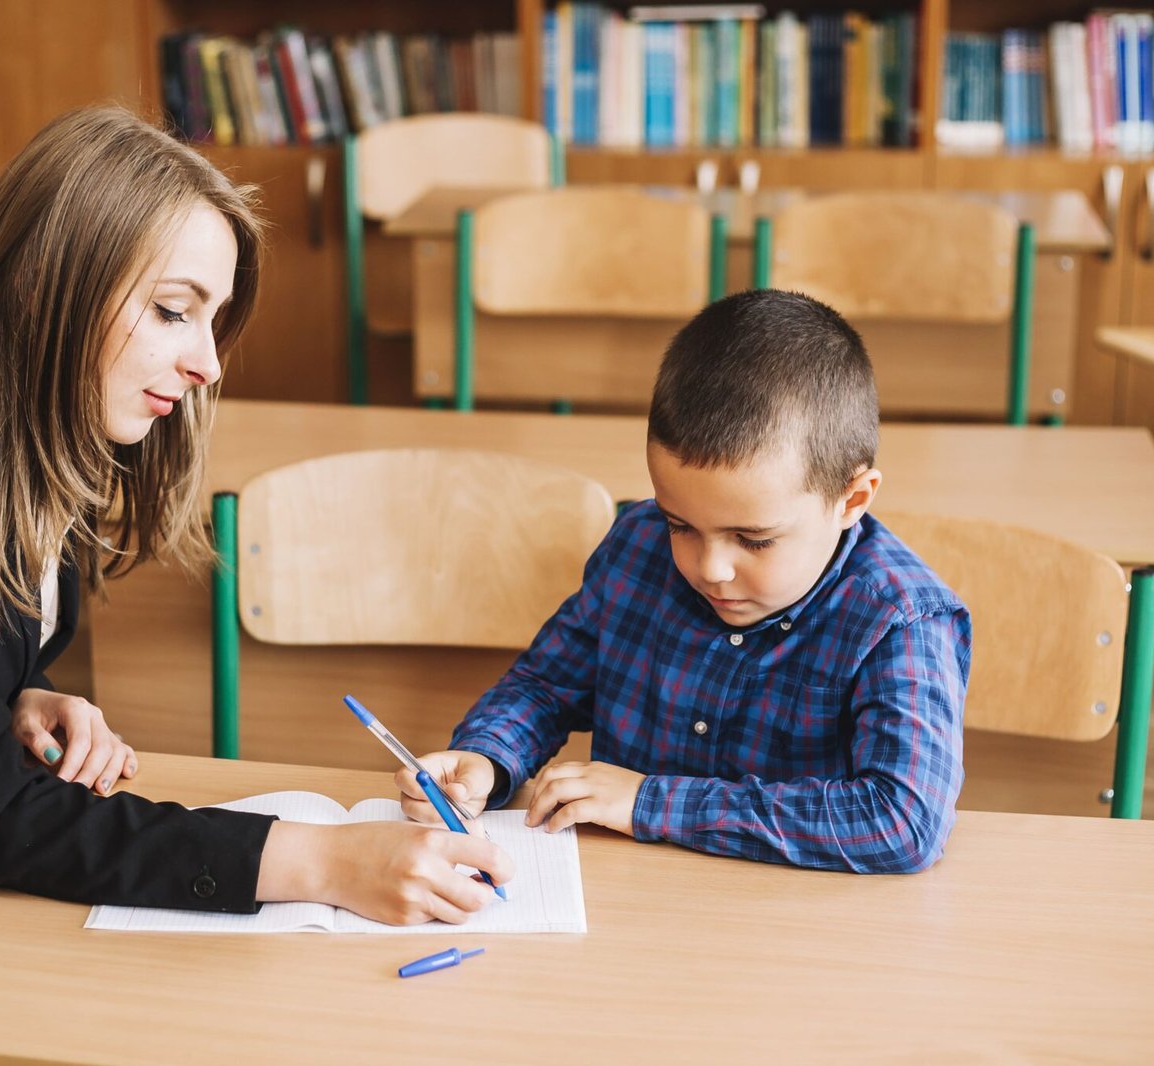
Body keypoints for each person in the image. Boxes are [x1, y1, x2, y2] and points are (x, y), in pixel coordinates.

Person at [0, 106, 511, 960]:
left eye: (211, 319)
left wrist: (10, 694)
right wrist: (325, 860)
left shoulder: (52, 440)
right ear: (50, 287)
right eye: (171, 311)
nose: (209, 365)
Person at [397, 289, 971, 874]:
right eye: (681, 524)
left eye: (754, 540)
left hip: (795, 934)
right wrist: (487, 758)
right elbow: (545, 686)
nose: (710, 568)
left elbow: (901, 821)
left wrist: (652, 802)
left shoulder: (902, 620)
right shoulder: (636, 546)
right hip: (630, 903)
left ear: (851, 499)